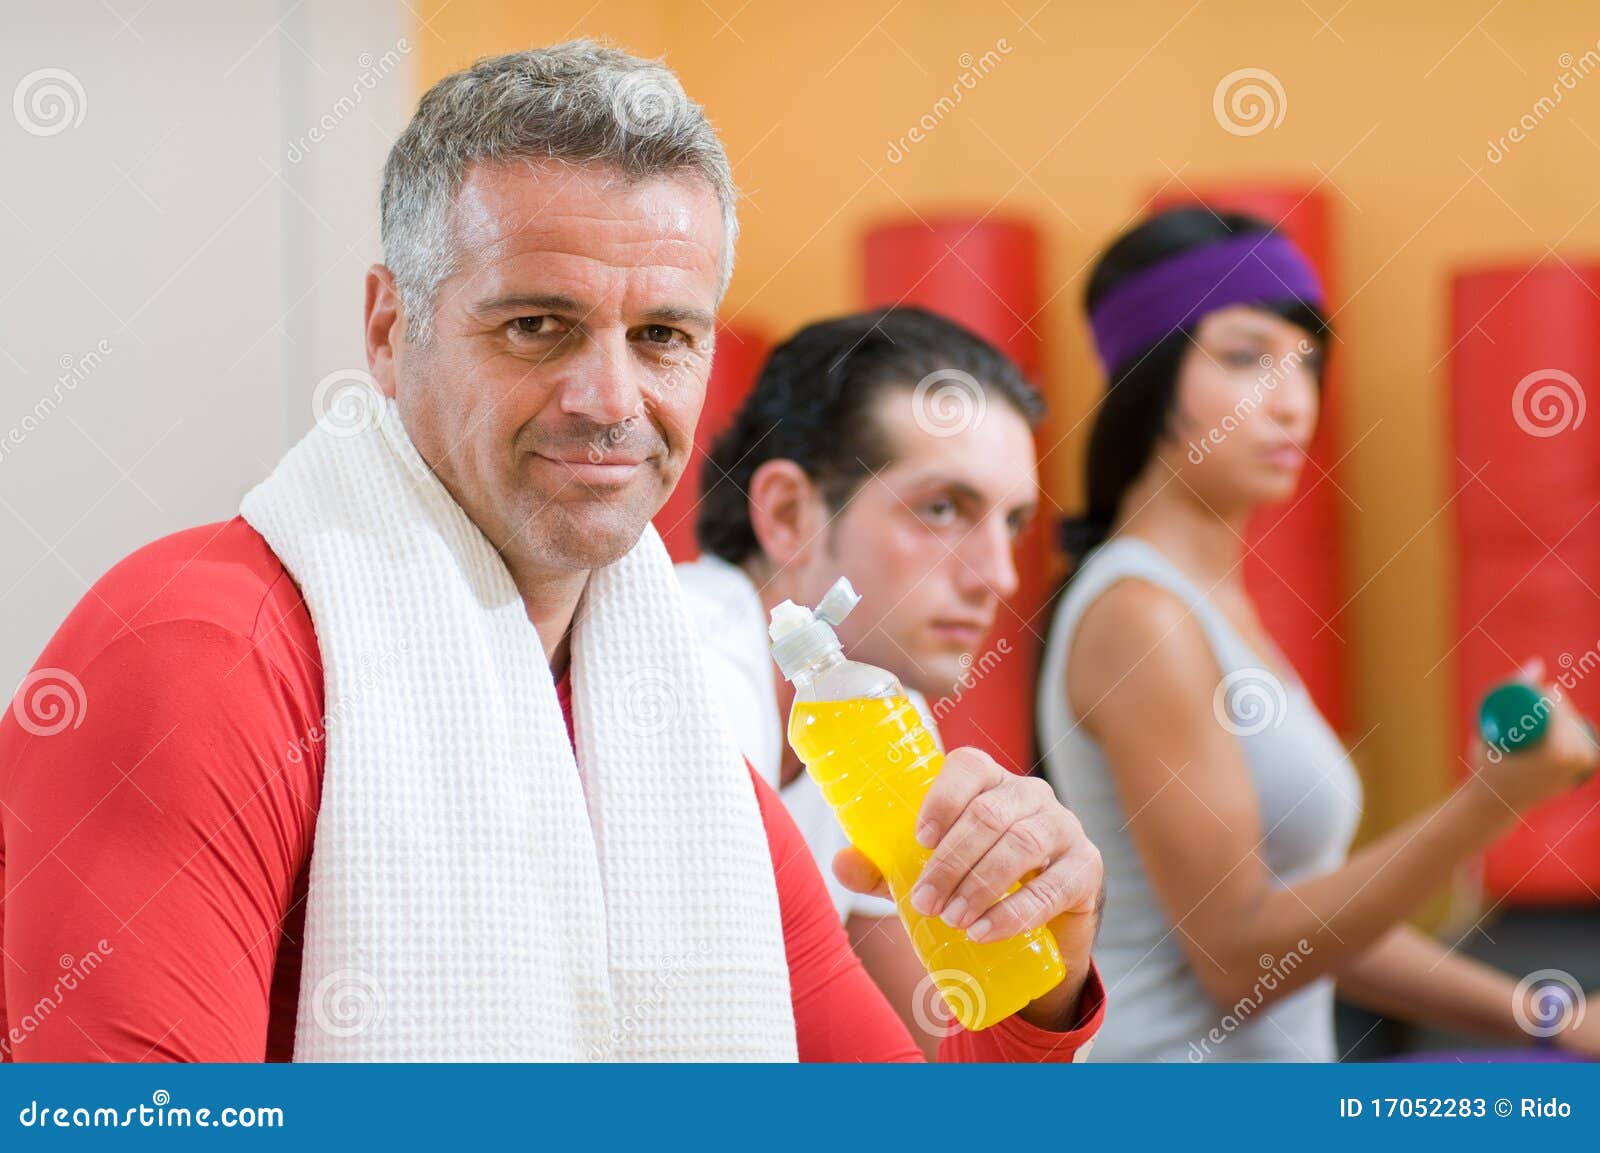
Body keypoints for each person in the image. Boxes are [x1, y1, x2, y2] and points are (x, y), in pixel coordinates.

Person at [0, 41, 1104, 1063]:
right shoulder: (197, 655)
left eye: (662, 335)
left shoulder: (664, 741)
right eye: (536, 326)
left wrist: (1035, 988)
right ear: (388, 329)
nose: (610, 400)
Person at [1036, 205, 1600, 1062]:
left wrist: (1548, 1014)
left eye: (1306, 363)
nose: (1293, 402)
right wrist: (1492, 803)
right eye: (1246, 357)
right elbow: (1237, 955)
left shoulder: (1209, 605)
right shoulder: (1140, 616)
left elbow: (1318, 927)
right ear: (1151, 379)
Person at [678, 307, 1096, 1055]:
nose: (999, 575)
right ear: (789, 513)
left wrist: (1049, 985)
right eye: (942, 509)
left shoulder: (867, 712)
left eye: (1012, 524)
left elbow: (940, 1066)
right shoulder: (686, 678)